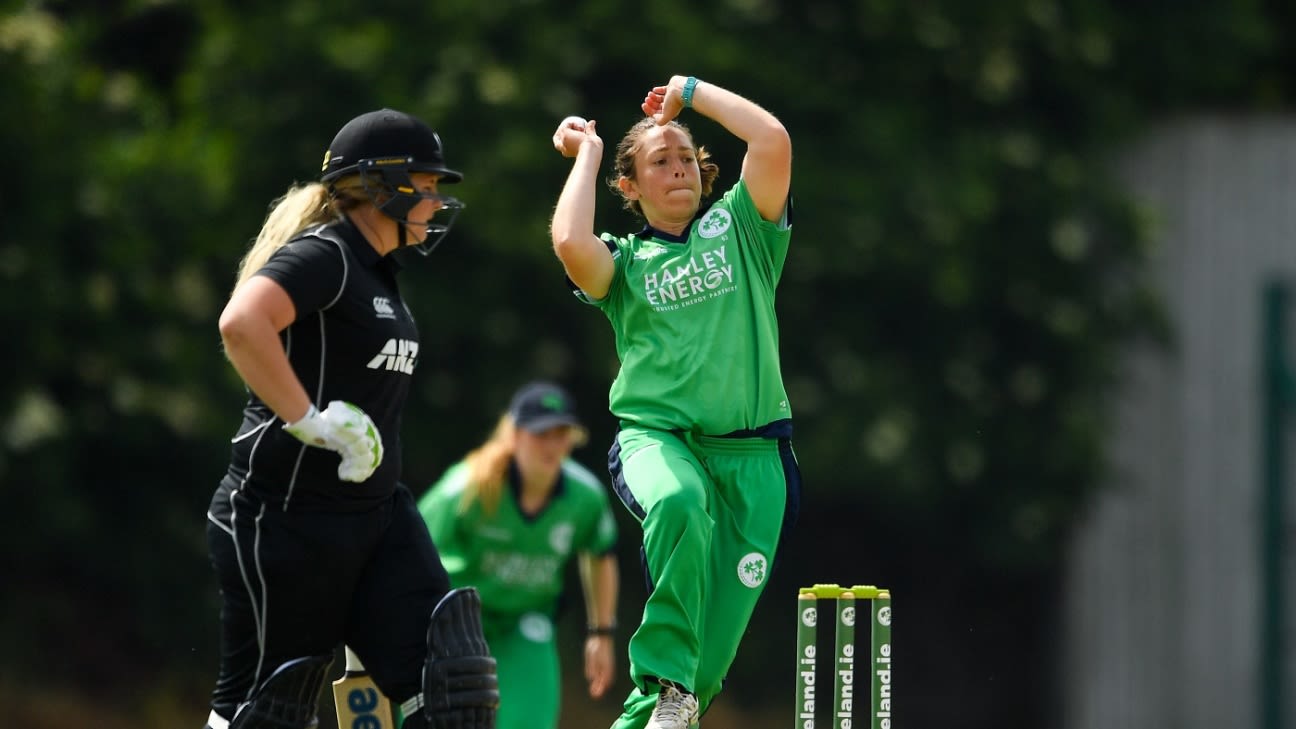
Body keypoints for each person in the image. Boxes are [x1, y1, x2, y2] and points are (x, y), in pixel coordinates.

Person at [205, 108, 498, 729]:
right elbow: (242, 323)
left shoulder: (379, 274)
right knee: (269, 712)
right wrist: (309, 421)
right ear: (382, 185)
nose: (436, 200)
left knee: (454, 685)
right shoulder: (327, 255)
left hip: (375, 517)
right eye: (427, 184)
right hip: (286, 518)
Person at [548, 76, 802, 729]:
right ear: (630, 186)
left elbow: (771, 140)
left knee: (701, 676)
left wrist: (690, 91)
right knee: (680, 502)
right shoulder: (625, 262)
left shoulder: (743, 228)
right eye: (660, 161)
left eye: (687, 157)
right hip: (660, 440)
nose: (679, 168)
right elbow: (571, 244)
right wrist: (588, 155)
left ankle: (668, 699)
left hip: (755, 462)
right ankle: (665, 676)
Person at [417, 381, 621, 729]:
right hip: (457, 624)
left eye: (561, 434)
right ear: (514, 435)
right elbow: (414, 549)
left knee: (530, 719)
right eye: (541, 434)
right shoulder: (467, 487)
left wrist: (600, 633)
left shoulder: (584, 496)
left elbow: (600, 553)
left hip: (526, 621)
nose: (552, 445)